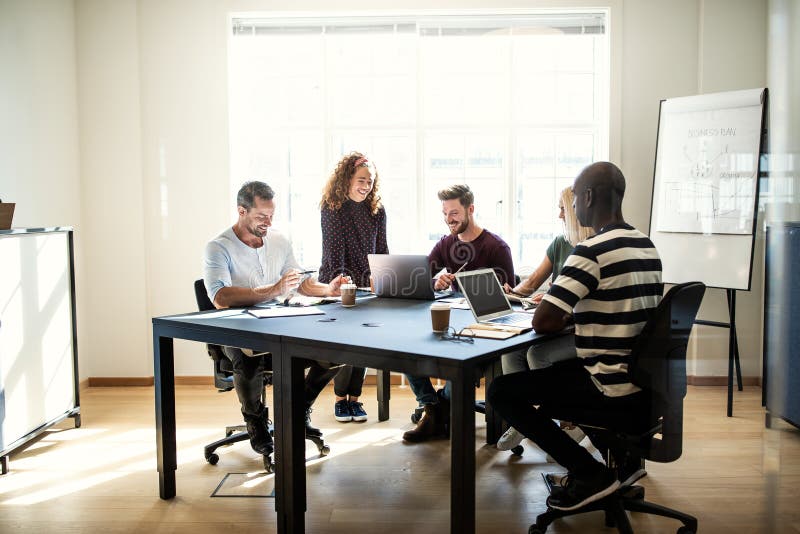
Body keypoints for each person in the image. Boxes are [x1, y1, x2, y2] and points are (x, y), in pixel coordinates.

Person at [487, 162, 663, 512]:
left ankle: (590, 474)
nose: (574, 206)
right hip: (642, 385)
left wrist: (566, 312)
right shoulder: (645, 245)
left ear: (589, 196)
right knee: (554, 376)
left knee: (502, 391)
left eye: (576, 196)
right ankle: (620, 466)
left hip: (606, 385)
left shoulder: (591, 251)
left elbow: (543, 321)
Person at [203, 181, 349, 457]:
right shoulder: (218, 247)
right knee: (248, 356)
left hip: (279, 321)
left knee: (336, 350)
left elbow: (300, 283)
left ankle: (298, 408)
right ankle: (255, 421)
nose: (268, 222)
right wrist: (272, 290)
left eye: (271, 215)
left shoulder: (279, 241)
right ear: (242, 211)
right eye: (261, 216)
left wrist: (328, 290)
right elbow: (220, 297)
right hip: (236, 328)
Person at [402, 184, 515, 443]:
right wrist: (436, 282)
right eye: (444, 213)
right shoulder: (445, 244)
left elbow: (510, 299)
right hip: (452, 325)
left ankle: (436, 410)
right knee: (405, 348)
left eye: (454, 213)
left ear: (470, 209)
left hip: (483, 333)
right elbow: (419, 278)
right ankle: (433, 406)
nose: (448, 219)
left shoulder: (496, 247)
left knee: (460, 365)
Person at [495, 186, 594, 451]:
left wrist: (553, 299)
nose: (559, 215)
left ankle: (563, 424)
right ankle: (523, 418)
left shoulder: (591, 250)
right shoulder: (560, 243)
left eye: (562, 209)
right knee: (510, 352)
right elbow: (531, 283)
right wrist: (512, 293)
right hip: (558, 324)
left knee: (537, 354)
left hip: (579, 329)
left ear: (575, 211)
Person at [318, 152, 388, 423]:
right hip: (338, 282)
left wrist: (382, 276)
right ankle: (340, 399)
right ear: (347, 179)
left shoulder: (377, 210)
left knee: (364, 343)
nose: (366, 186)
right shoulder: (332, 207)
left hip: (368, 282)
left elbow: (382, 249)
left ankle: (355, 399)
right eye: (361, 180)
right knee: (346, 342)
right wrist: (343, 283)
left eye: (370, 181)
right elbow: (334, 252)